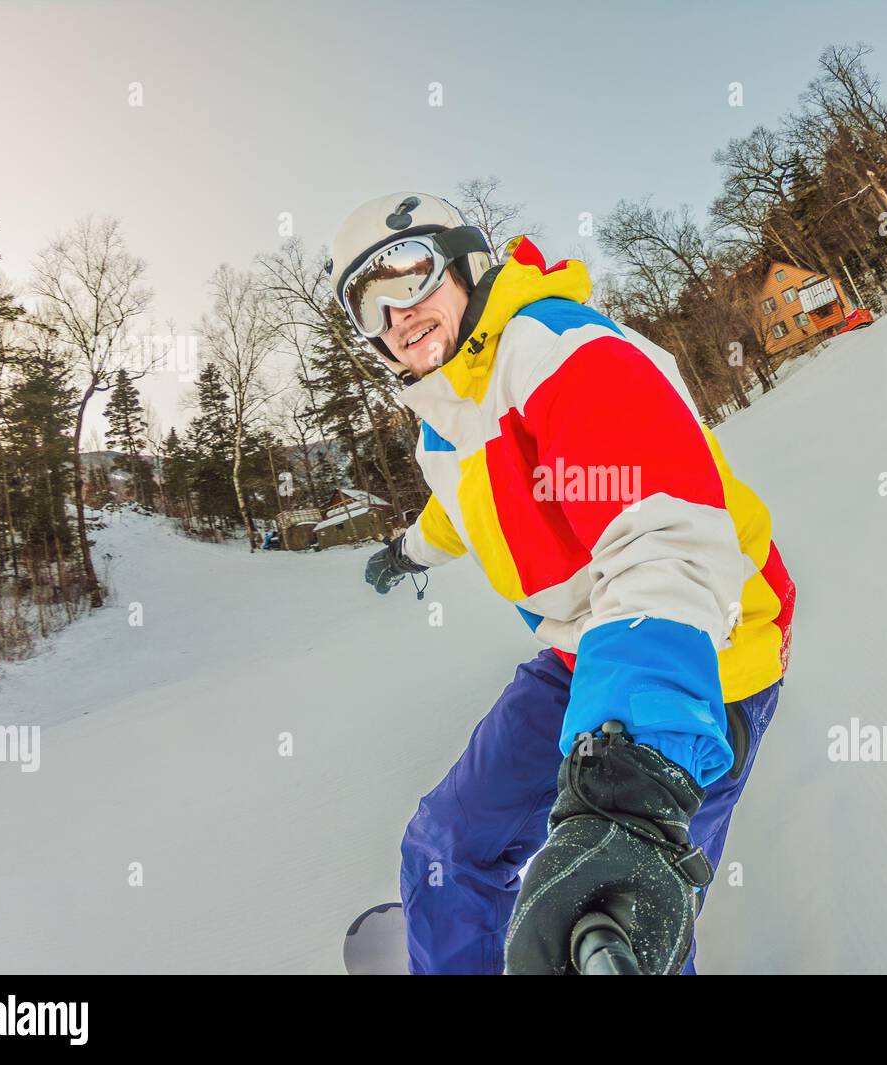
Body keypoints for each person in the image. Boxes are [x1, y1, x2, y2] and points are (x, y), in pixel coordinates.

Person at [331, 192, 795, 974]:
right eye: (368, 303)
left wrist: (633, 780)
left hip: (698, 654)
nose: (397, 314)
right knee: (444, 848)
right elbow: (459, 509)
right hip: (581, 654)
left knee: (621, 914)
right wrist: (407, 552)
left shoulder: (559, 352)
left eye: (408, 274)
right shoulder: (445, 421)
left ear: (467, 260)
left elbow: (663, 538)